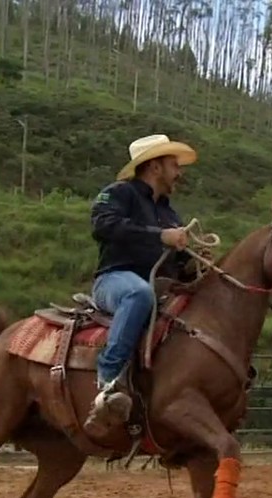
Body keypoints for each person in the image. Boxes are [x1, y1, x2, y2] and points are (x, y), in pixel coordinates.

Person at [83, 133, 197, 437]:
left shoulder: (169, 212)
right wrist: (160, 236)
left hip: (161, 285)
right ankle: (108, 380)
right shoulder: (119, 193)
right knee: (138, 294)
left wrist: (191, 260)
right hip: (114, 280)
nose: (179, 173)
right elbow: (103, 225)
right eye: (174, 165)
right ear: (155, 166)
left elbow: (176, 264)